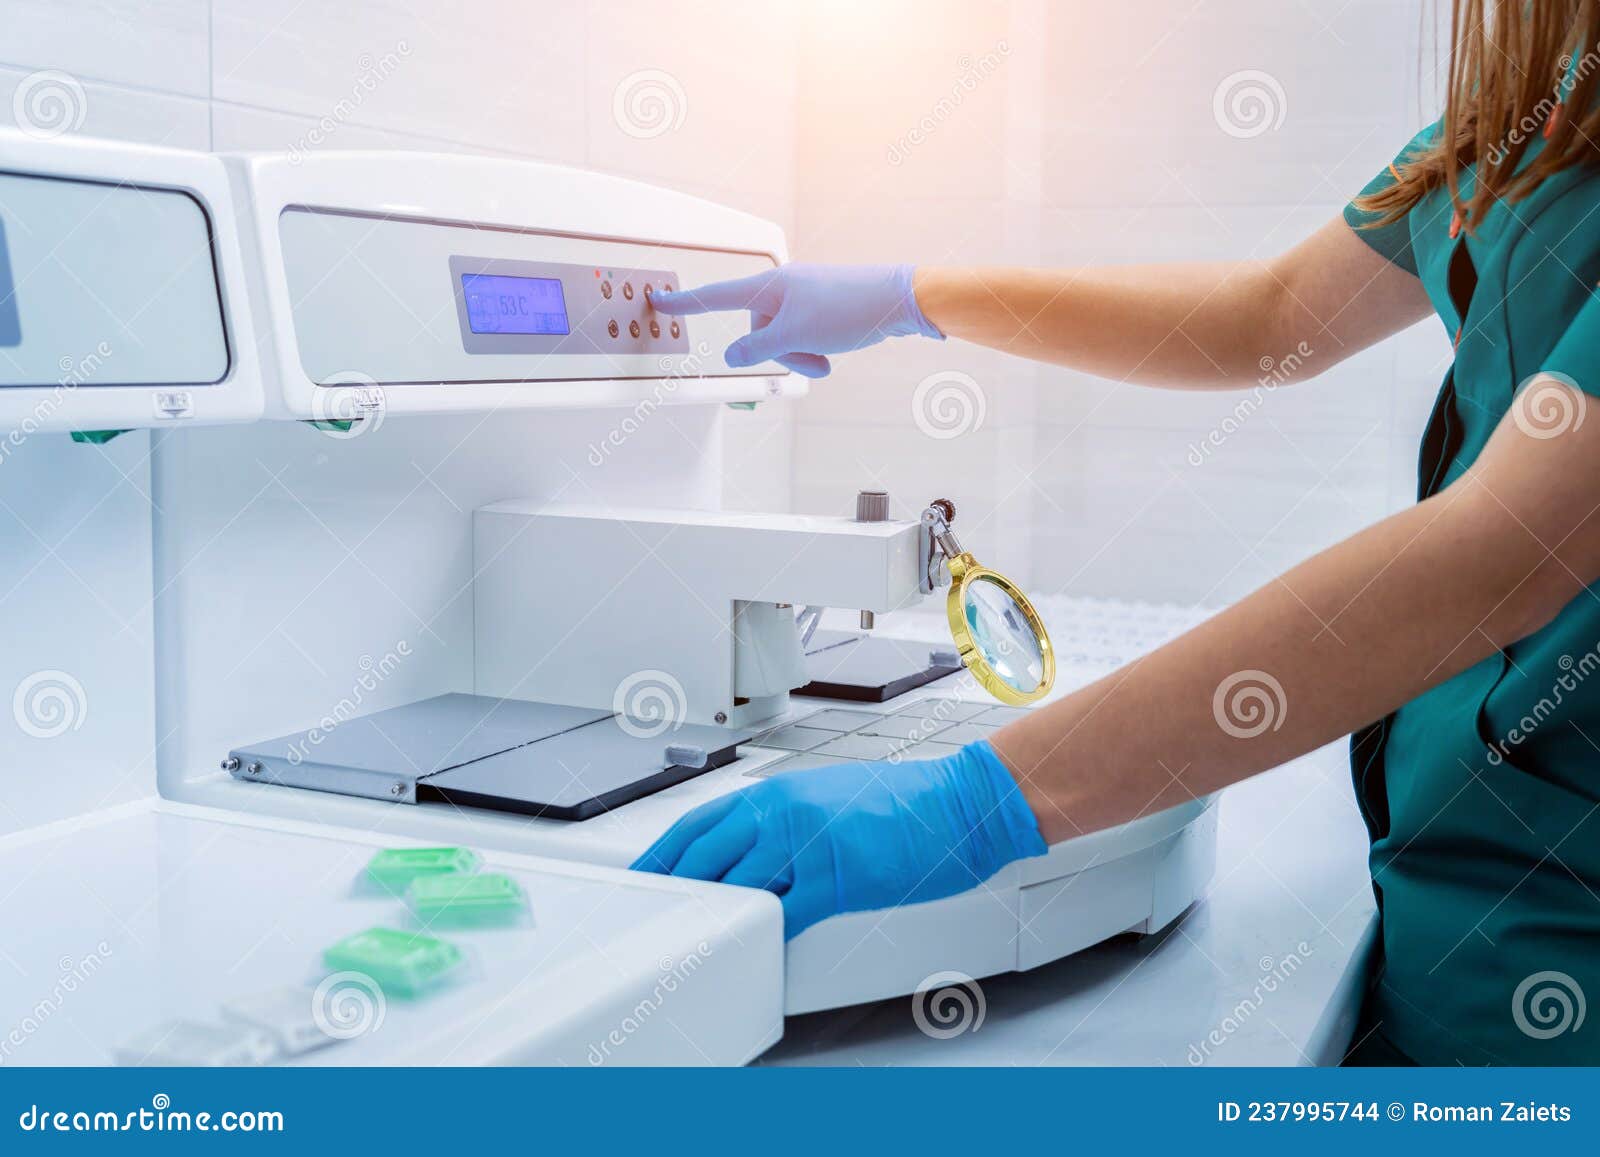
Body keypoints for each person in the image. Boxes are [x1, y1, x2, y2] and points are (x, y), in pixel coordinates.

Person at [634, 0, 1600, 1066]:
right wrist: (912, 296)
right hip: (1451, 884)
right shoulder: (1514, 117)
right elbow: (1267, 316)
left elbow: (1509, 547)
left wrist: (976, 801)